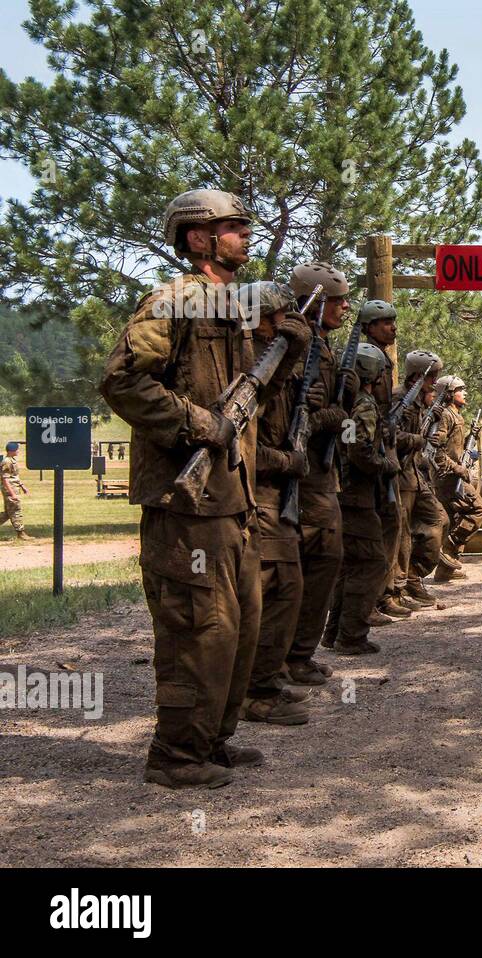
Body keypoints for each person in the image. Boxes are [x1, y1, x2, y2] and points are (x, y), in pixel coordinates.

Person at [99, 188, 311, 789]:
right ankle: (174, 754)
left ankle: (212, 741)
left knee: (240, 624)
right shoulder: (172, 302)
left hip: (232, 500)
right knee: (201, 626)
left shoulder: (234, 312)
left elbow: (248, 407)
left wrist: (287, 355)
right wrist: (197, 423)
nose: (246, 235)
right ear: (199, 237)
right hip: (187, 503)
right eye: (234, 227)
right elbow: (121, 381)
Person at [240, 281, 312, 726]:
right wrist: (290, 462)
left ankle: (263, 683)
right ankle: (256, 692)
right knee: (277, 592)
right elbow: (245, 447)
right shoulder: (252, 370)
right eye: (278, 317)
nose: (285, 324)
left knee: (285, 590)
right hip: (260, 499)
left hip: (274, 498)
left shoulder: (274, 370)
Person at [282, 260, 351, 686]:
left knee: (324, 561)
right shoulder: (302, 343)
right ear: (319, 302)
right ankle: (289, 657)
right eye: (338, 301)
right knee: (318, 560)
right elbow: (299, 409)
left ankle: (298, 654)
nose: (344, 309)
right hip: (303, 473)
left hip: (319, 471)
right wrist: (333, 415)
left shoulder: (319, 343)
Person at [323, 342, 397, 656]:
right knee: (372, 562)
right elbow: (360, 453)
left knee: (351, 565)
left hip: (346, 493)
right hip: (357, 496)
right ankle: (350, 635)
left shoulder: (352, 402)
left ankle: (334, 632)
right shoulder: (364, 404)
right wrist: (387, 464)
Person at [356, 299, 412, 621]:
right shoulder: (365, 358)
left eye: (392, 321)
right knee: (380, 528)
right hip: (371, 451)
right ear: (370, 327)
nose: (392, 327)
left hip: (383, 445)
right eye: (385, 322)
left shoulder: (383, 358)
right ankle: (374, 600)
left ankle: (386, 593)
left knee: (393, 523)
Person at [392, 350, 443, 609]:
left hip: (415, 475)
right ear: (417, 375)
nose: (435, 381)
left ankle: (413, 576)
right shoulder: (401, 399)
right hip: (400, 476)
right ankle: (396, 591)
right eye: (431, 376)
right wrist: (420, 440)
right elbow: (390, 435)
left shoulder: (420, 402)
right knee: (400, 536)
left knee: (437, 520)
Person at [430, 374, 482, 579]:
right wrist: (459, 469)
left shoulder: (456, 416)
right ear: (449, 394)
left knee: (457, 518)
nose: (465, 393)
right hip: (448, 478)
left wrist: (472, 438)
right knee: (478, 510)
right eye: (460, 390)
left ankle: (446, 570)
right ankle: (448, 548)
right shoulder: (445, 415)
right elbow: (437, 453)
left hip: (453, 476)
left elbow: (454, 448)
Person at [1, 441, 34, 541]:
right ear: (12, 450)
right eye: (17, 449)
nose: (18, 451)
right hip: (10, 490)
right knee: (16, 510)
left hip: (14, 488)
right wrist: (12, 494)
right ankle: (21, 533)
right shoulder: (6, 461)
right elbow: (5, 479)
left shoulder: (12, 460)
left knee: (8, 513)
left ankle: (20, 532)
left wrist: (22, 486)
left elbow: (14, 477)